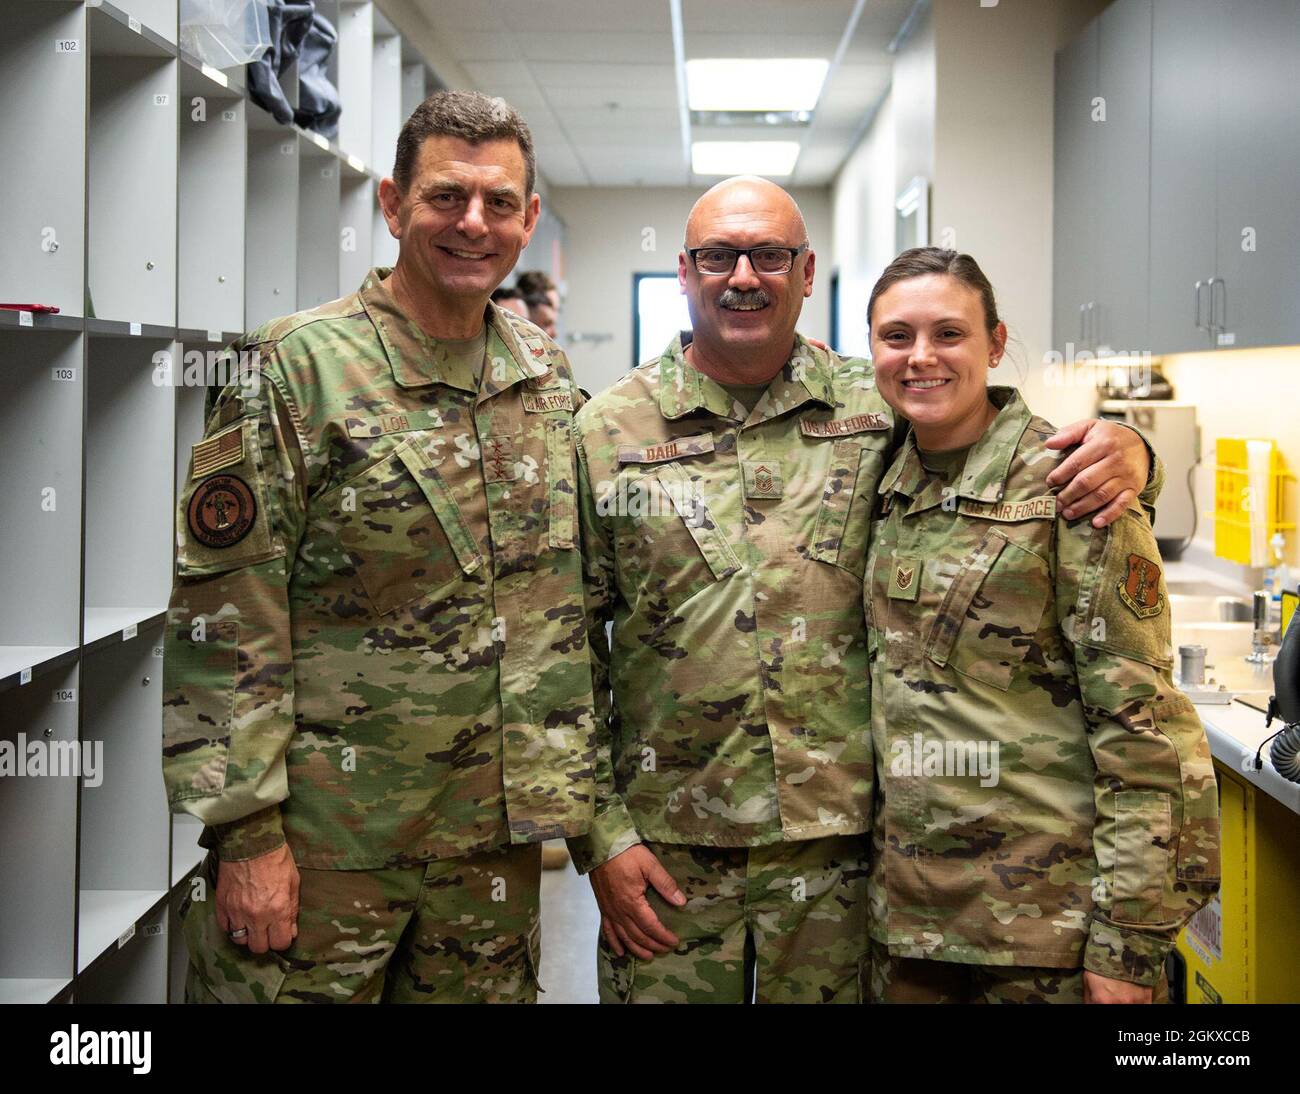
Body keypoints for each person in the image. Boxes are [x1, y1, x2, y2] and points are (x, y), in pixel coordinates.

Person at [566, 176, 1161, 1003]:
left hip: (845, 869)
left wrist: (1131, 451)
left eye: (770, 255)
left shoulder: (880, 406)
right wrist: (599, 836)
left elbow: (1007, 470)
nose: (744, 275)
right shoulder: (605, 433)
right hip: (671, 857)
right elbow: (561, 654)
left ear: (807, 274)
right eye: (719, 255)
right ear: (684, 271)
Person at [162, 90, 596, 1003]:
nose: (473, 223)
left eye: (499, 203)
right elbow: (223, 617)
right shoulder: (290, 368)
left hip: (490, 854)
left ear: (529, 221)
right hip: (326, 853)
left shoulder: (544, 376)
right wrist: (246, 840)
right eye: (446, 196)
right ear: (395, 205)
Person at [861, 247, 1220, 1004]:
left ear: (995, 343)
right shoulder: (882, 478)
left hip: (1044, 938)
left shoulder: (1071, 487)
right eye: (897, 337)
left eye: (948, 334)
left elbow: (1145, 731)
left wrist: (1128, 945)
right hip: (906, 925)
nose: (921, 357)